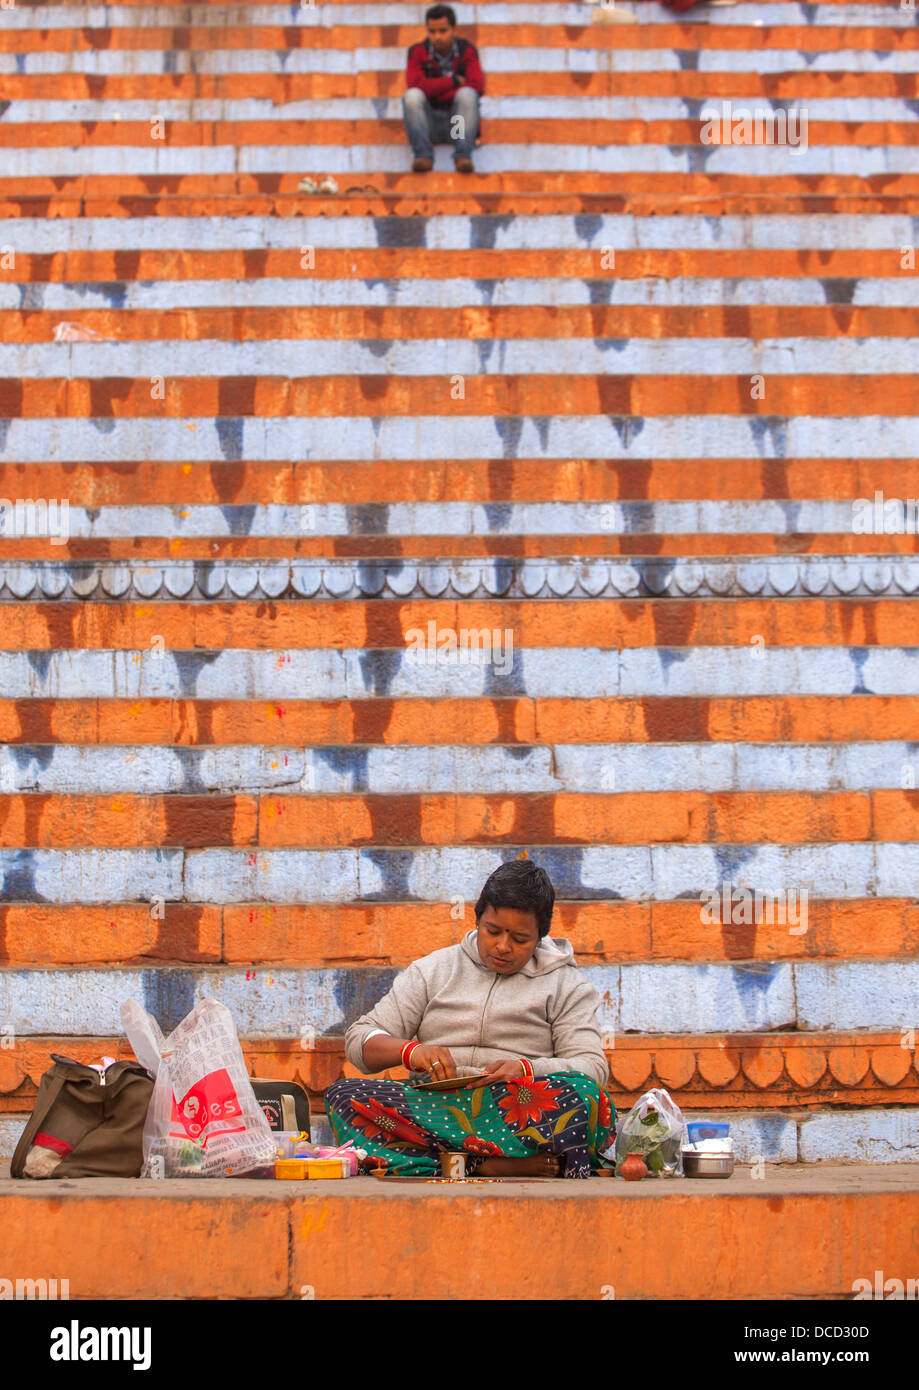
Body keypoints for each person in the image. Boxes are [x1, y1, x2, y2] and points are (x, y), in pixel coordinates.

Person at [325, 860, 616, 1178]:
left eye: (520, 939)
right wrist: (412, 1052)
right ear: (478, 919)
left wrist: (527, 1069)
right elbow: (360, 1040)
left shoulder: (566, 985)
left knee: (586, 1098)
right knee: (343, 1096)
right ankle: (482, 1164)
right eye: (492, 931)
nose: (503, 947)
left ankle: (439, 1163)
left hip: (516, 1111)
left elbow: (593, 1068)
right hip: (436, 1110)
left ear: (540, 937)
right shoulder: (434, 970)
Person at [402, 4, 485, 174]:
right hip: (428, 125)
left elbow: (477, 86)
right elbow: (415, 85)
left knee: (467, 95)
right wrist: (454, 81)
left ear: (454, 29)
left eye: (443, 31)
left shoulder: (467, 50)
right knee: (412, 96)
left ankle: (462, 156)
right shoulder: (417, 51)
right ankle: (423, 156)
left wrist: (433, 90)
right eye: (432, 32)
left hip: (458, 127)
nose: (437, 37)